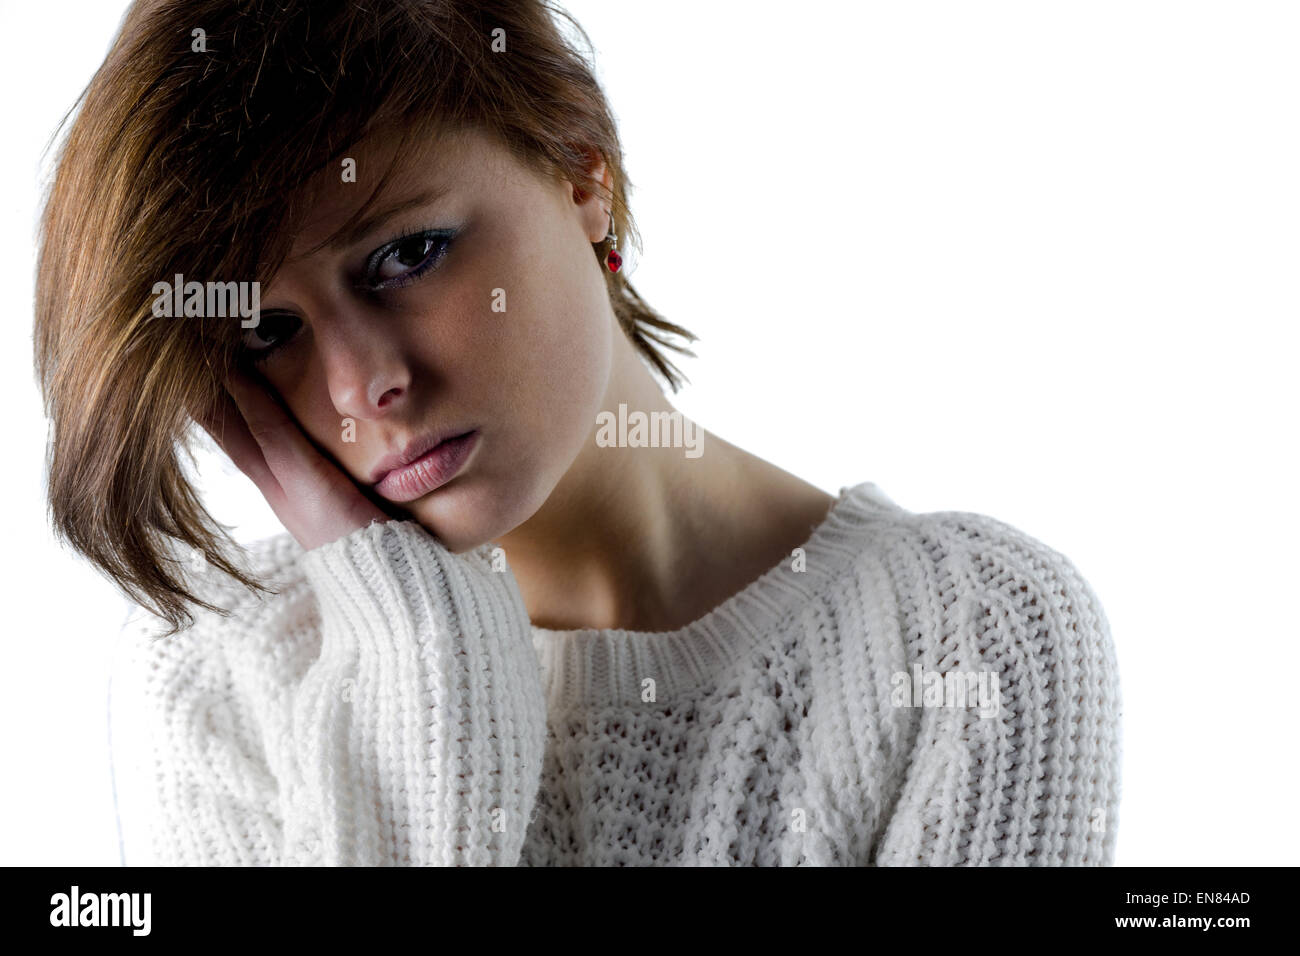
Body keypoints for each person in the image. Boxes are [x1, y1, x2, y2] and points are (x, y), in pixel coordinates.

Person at [34, 0, 1121, 866]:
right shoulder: (226, 675)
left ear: (579, 169)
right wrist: (423, 660)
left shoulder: (966, 632)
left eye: (407, 255)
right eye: (271, 330)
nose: (369, 385)